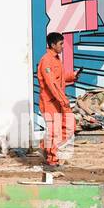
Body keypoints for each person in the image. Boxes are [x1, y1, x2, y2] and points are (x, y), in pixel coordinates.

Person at [37, 32, 78, 172]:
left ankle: (45, 147)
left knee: (68, 126)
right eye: (60, 44)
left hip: (57, 101)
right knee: (55, 132)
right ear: (53, 45)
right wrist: (63, 100)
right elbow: (51, 84)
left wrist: (72, 76)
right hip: (50, 102)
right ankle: (51, 161)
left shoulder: (56, 59)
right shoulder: (46, 61)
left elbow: (59, 79)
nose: (62, 46)